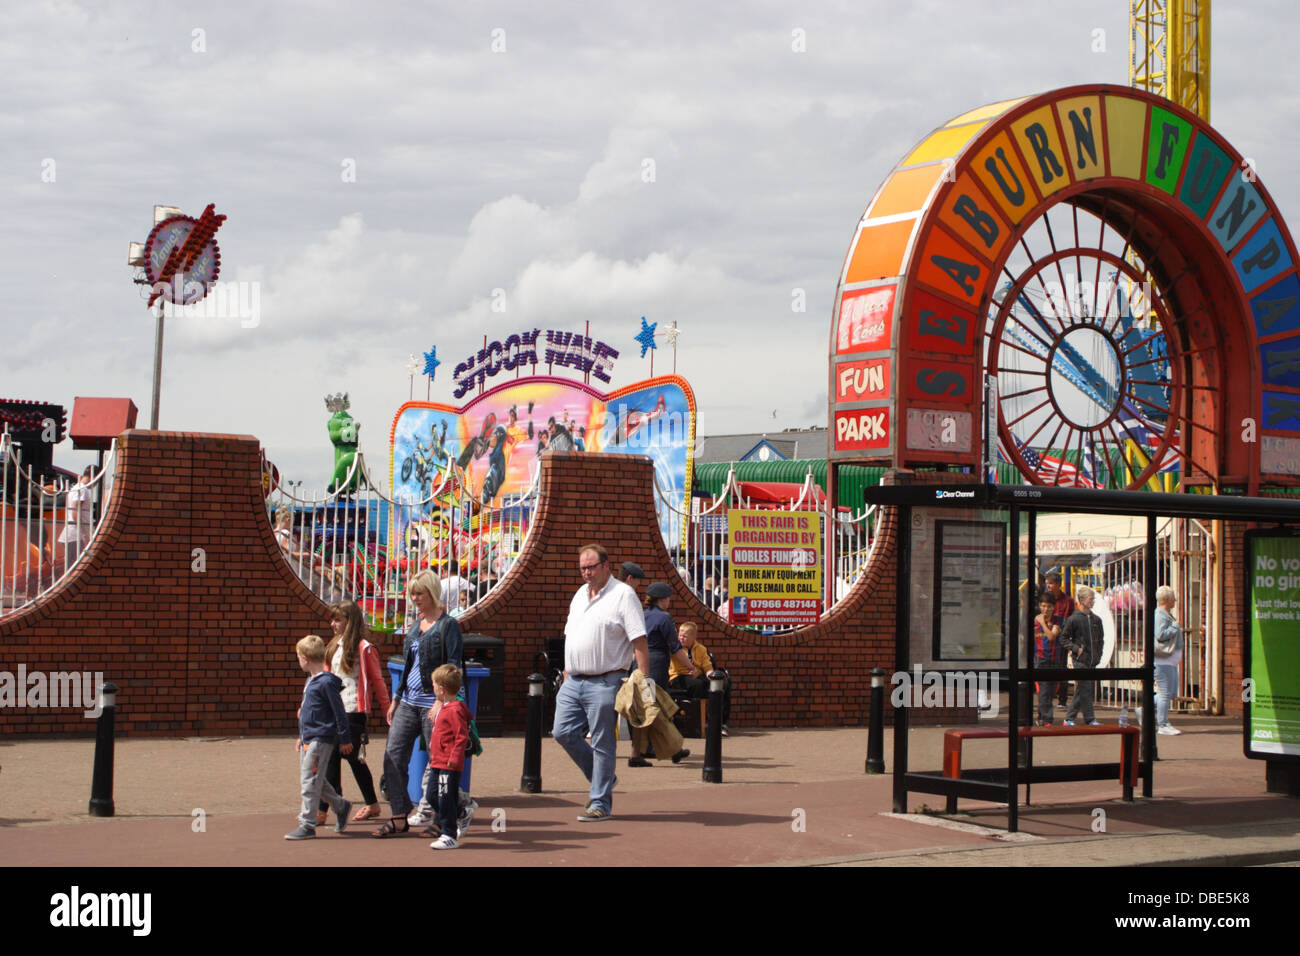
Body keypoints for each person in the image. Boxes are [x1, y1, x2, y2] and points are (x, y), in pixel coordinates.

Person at [554, 543, 650, 821]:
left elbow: (638, 639)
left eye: (591, 567)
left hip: (606, 680)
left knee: (602, 742)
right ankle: (603, 777)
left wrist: (644, 681)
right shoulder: (579, 595)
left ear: (606, 566)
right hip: (574, 679)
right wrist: (567, 672)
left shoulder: (623, 595)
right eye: (582, 568)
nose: (586, 573)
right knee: (562, 732)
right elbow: (571, 635)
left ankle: (600, 802)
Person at [374, 570, 463, 837]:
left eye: (419, 593)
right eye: (412, 593)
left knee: (439, 763)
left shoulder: (448, 626)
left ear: (432, 592)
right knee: (393, 756)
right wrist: (396, 698)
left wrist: (442, 701)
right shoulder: (415, 626)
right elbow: (408, 666)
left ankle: (445, 816)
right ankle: (400, 815)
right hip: (409, 702)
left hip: (433, 704)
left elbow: (453, 666)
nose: (414, 598)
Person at [319, 600, 390, 824]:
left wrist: (387, 709)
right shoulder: (332, 646)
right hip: (333, 709)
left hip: (353, 709)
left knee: (351, 757)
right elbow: (325, 678)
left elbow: (377, 680)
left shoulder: (364, 648)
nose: (332, 624)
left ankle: (368, 804)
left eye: (337, 619)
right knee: (331, 758)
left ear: (350, 621)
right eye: (332, 619)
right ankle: (330, 809)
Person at [285, 634, 353, 840]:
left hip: (320, 738)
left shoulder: (324, 683)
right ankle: (341, 806)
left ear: (305, 658)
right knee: (316, 780)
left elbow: (339, 711)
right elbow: (309, 712)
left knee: (309, 781)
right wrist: (301, 736)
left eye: (298, 657)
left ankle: (307, 823)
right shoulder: (312, 681)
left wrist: (345, 737)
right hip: (309, 738)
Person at [629, 582, 693, 767]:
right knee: (659, 708)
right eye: (668, 598)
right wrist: (690, 666)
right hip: (655, 666)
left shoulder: (641, 615)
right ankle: (668, 749)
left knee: (645, 708)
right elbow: (675, 647)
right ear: (662, 599)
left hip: (637, 663)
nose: (669, 602)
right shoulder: (665, 618)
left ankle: (655, 751)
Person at [426, 664, 471, 850]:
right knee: (431, 796)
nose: (433, 689)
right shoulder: (445, 707)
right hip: (437, 761)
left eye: (435, 686)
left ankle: (449, 834)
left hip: (448, 763)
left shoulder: (454, 710)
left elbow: (461, 736)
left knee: (445, 798)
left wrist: (454, 756)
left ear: (442, 690)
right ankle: (461, 812)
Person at [669, 621, 731, 735]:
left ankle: (720, 723)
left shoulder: (701, 649)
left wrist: (711, 677)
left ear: (693, 637)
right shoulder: (675, 648)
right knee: (697, 685)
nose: (681, 638)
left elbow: (707, 667)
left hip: (698, 676)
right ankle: (699, 722)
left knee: (722, 685)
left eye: (685, 636)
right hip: (678, 676)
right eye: (680, 635)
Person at [1060, 585, 1104, 726]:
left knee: (1082, 689)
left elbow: (1100, 639)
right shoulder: (1073, 619)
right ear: (1082, 600)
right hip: (1080, 660)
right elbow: (1063, 638)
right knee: (1085, 689)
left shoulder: (1096, 620)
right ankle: (1089, 718)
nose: (1093, 601)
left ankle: (1069, 718)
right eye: (1091, 599)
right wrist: (1076, 649)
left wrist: (1099, 654)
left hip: (1092, 660)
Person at [1154, 585, 1184, 736]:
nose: (1175, 600)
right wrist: (1175, 626)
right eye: (1173, 598)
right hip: (1162, 660)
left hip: (1169, 660)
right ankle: (1163, 724)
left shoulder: (1166, 613)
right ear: (1167, 599)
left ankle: (1144, 710)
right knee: (1165, 693)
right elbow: (1160, 634)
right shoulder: (1160, 614)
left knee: (1170, 692)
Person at [1043, 572, 1075, 705]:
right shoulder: (1045, 599)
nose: (1048, 586)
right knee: (1046, 667)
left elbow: (1069, 620)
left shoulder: (1068, 601)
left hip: (1060, 638)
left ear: (1057, 585)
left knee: (1061, 667)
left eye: (1050, 583)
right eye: (1047, 584)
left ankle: (1062, 699)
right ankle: (1047, 697)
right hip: (1046, 638)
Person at [1032, 593, 1062, 726]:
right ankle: (1047, 719)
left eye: (1049, 606)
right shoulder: (1033, 621)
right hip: (1040, 658)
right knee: (1044, 690)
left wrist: (1043, 623)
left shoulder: (1057, 621)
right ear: (1039, 606)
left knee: (1051, 691)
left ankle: (1041, 716)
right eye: (1043, 606)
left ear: (1054, 607)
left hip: (1054, 659)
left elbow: (1051, 636)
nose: (1046, 609)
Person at [58, 467, 94, 564]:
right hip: (76, 535)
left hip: (73, 534)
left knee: (72, 563)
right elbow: (75, 510)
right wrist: (84, 534)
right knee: (74, 565)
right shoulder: (82, 489)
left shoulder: (76, 488)